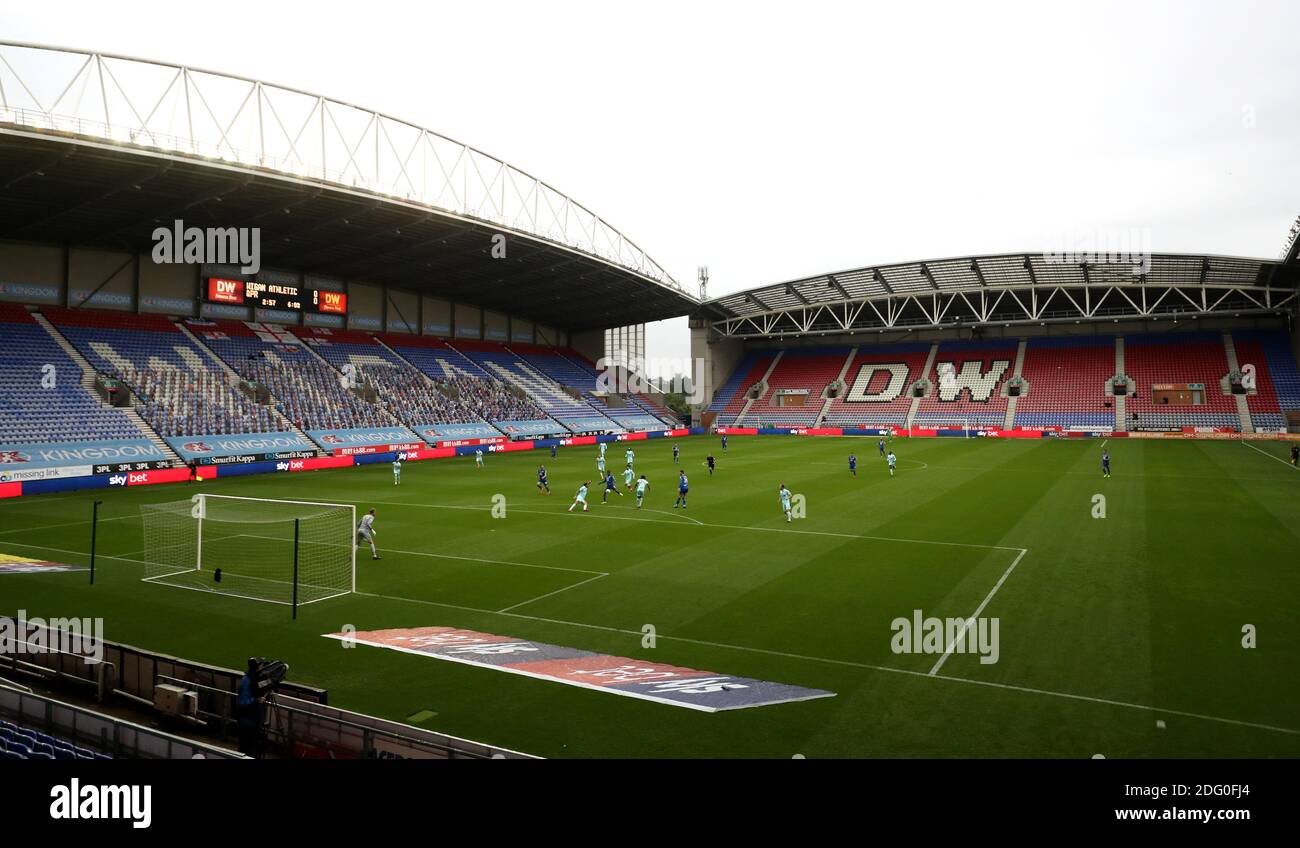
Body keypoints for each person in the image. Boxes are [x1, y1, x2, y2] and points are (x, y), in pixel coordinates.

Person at [236, 659, 266, 758]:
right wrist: (256, 700)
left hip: (253, 721)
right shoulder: (247, 681)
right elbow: (242, 702)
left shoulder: (253, 678)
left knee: (252, 748)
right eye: (261, 665)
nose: (263, 668)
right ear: (257, 667)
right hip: (248, 722)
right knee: (246, 749)